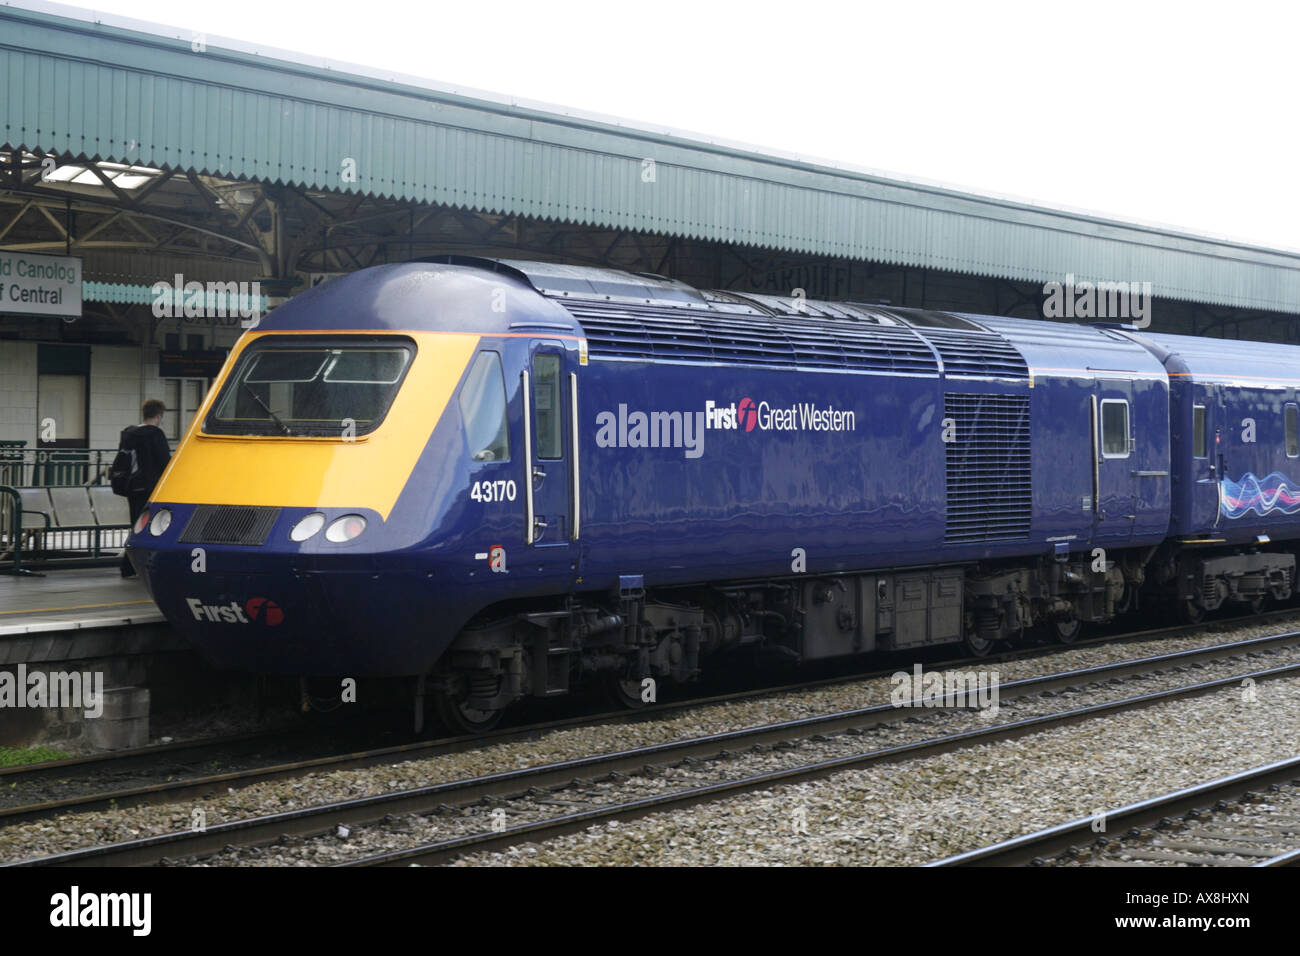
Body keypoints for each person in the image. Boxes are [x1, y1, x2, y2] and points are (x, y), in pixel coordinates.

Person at [119, 398, 172, 578]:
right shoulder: (156, 434)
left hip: (132, 488)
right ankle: (136, 565)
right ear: (158, 416)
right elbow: (165, 462)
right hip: (151, 489)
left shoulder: (129, 434)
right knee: (152, 526)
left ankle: (128, 566)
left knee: (136, 525)